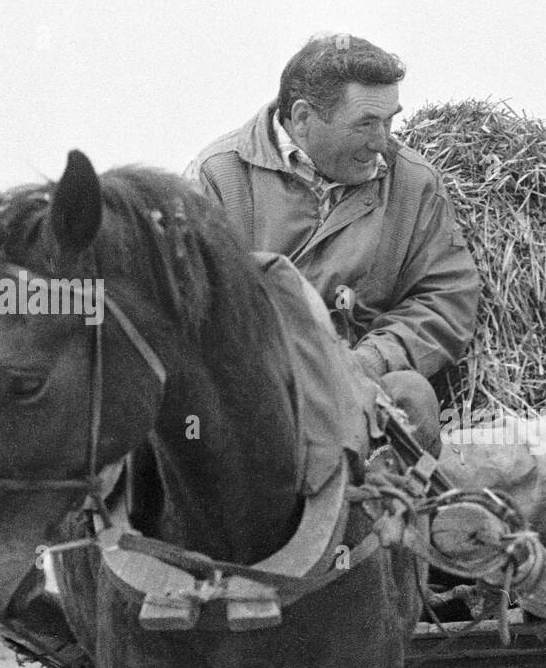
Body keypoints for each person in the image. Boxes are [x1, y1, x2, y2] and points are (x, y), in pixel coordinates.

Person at [188, 32, 481, 456]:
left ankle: (385, 519)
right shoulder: (219, 178)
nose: (383, 141)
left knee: (411, 397)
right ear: (303, 117)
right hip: (250, 395)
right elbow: (190, 310)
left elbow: (446, 297)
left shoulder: (413, 183)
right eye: (365, 123)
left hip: (361, 390)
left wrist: (371, 362)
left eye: (389, 120)